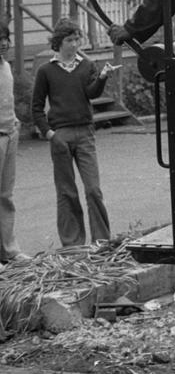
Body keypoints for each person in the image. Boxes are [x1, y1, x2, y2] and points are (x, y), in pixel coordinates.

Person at [31, 19, 117, 249]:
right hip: (60, 135)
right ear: (59, 43)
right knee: (66, 191)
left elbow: (91, 93)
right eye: (70, 40)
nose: (75, 44)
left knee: (93, 189)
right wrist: (49, 134)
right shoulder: (46, 70)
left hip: (85, 132)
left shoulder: (86, 65)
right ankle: (73, 245)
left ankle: (101, 241)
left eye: (77, 38)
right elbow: (36, 107)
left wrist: (102, 77)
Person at [0, 25, 28, 266]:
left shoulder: (6, 66)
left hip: (10, 134)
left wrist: (15, 120)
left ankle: (9, 251)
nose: (3, 44)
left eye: (5, 39)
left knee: (6, 196)